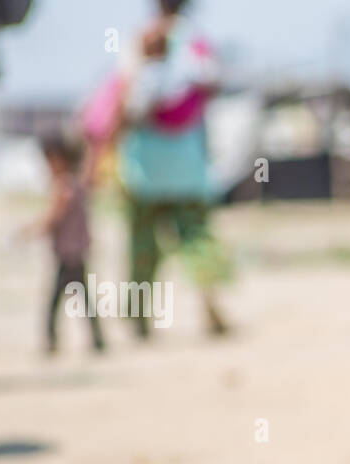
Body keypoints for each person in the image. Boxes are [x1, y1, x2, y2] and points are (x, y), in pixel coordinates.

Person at [115, 0, 229, 339]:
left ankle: (139, 317)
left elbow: (124, 96)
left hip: (144, 167)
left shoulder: (139, 38)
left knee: (142, 246)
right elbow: (212, 84)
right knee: (197, 240)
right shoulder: (195, 41)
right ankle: (211, 303)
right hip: (188, 165)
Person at [26, 132, 101, 355]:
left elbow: (53, 218)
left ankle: (51, 341)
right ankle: (97, 339)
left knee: (56, 301)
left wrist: (29, 231)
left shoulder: (64, 186)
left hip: (68, 254)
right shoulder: (76, 183)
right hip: (77, 252)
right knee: (83, 299)